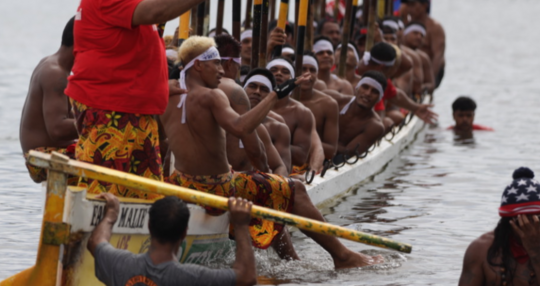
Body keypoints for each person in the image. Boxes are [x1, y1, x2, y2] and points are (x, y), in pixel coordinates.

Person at [161, 36, 379, 268]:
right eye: (215, 63)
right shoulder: (212, 95)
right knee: (295, 189)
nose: (221, 70)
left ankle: (293, 259)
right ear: (198, 65)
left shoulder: (165, 96)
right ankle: (342, 256)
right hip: (218, 187)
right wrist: (275, 94)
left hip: (181, 185)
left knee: (268, 185)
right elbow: (242, 127)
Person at [66, 0, 242, 199]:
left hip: (132, 110)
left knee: (144, 194)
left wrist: (160, 86)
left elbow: (128, 55)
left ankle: (140, 235)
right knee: (107, 195)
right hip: (110, 110)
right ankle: (97, 236)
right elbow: (155, 12)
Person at [89, 193, 257, 286]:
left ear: (149, 226)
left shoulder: (121, 264)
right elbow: (246, 277)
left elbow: (96, 243)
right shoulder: (192, 277)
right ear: (184, 232)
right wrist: (241, 225)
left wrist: (111, 214)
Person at [458, 168, 540, 286]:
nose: (532, 228)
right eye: (523, 221)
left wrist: (537, 252)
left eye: (539, 219)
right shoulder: (480, 249)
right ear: (508, 222)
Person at [19, 17, 78, 183]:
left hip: (48, 153)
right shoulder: (55, 73)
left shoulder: (52, 64)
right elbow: (57, 129)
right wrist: (99, 123)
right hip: (44, 157)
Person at [215, 35, 283, 176]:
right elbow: (254, 151)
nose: (257, 92)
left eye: (264, 89)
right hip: (219, 181)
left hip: (178, 179)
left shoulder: (182, 85)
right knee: (298, 190)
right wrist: (268, 178)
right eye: (238, 67)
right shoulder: (234, 89)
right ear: (229, 64)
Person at [267, 58, 324, 175]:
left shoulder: (302, 112)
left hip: (285, 171)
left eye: (285, 71)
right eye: (273, 70)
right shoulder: (249, 105)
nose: (278, 73)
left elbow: (300, 157)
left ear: (292, 80)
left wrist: (269, 143)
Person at [244, 68, 294, 172]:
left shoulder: (278, 128)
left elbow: (283, 168)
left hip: (261, 182)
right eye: (252, 86)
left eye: (264, 89)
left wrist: (274, 186)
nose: (257, 92)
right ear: (242, 90)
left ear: (271, 97)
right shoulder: (228, 119)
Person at [334, 71, 388, 159]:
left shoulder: (375, 126)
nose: (368, 93)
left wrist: (323, 146)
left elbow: (348, 152)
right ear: (356, 88)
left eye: (374, 91)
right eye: (365, 87)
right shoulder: (335, 101)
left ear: (379, 98)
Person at [298, 53, 340, 162]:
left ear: (317, 75)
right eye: (303, 69)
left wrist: (296, 140)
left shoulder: (328, 104)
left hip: (313, 163)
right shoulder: (279, 99)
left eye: (312, 70)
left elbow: (331, 151)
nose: (307, 74)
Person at [399, 0, 446, 89]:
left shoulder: (435, 27)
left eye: (413, 5)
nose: (409, 8)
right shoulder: (405, 24)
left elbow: (438, 55)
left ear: (424, 6)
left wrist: (430, 81)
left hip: (429, 70)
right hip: (411, 69)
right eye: (408, 5)